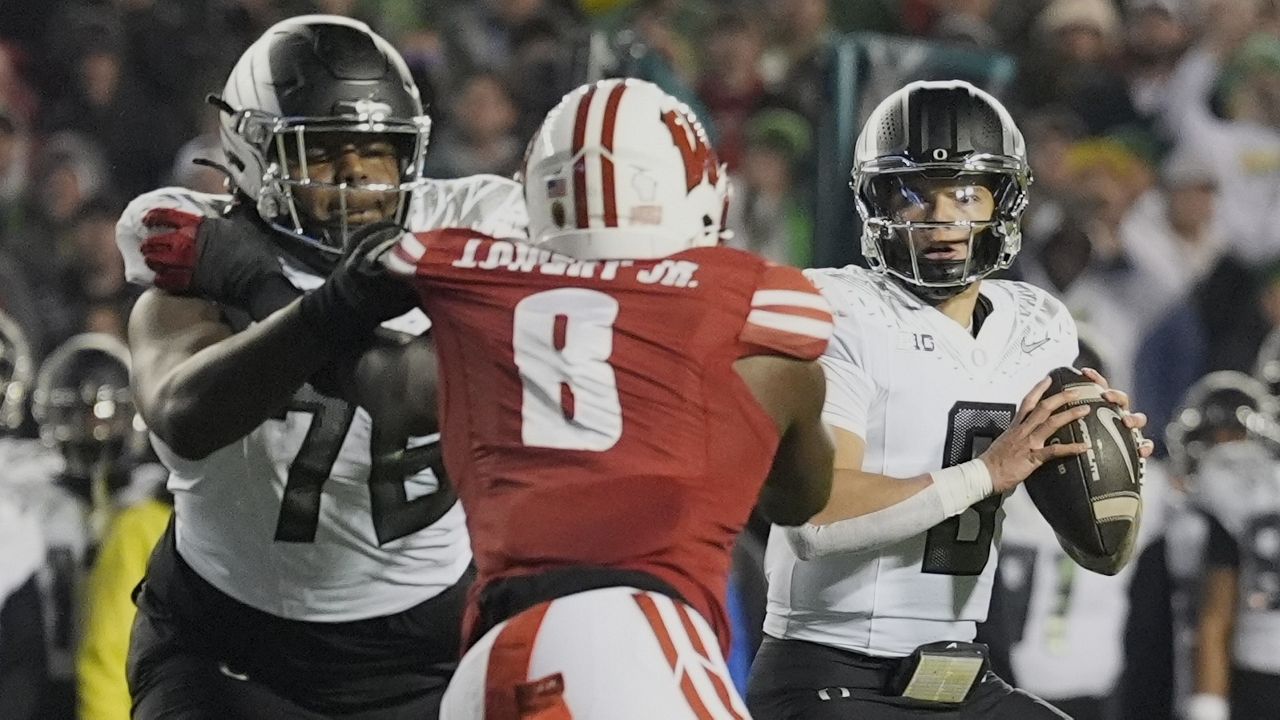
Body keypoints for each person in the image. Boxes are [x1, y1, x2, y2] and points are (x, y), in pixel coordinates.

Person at [160, 77, 837, 719]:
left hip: (488, 662)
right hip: (634, 639)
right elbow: (801, 499)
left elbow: (370, 381)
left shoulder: (480, 295)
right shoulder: (754, 307)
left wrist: (253, 281)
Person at [746, 79, 1153, 720]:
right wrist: (986, 473)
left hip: (958, 673)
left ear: (1005, 200)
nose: (941, 219)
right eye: (911, 194)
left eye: (965, 193)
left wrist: (1097, 458)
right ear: (874, 203)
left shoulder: (1038, 323)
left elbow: (1100, 550)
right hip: (831, 673)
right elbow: (815, 520)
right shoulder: (841, 310)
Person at [119, 16, 486, 720]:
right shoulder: (200, 254)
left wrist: (271, 293)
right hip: (230, 649)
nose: (355, 173)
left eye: (378, 152)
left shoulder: (467, 234)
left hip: (426, 643)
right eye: (323, 151)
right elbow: (182, 413)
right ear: (253, 156)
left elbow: (413, 395)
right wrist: (322, 303)